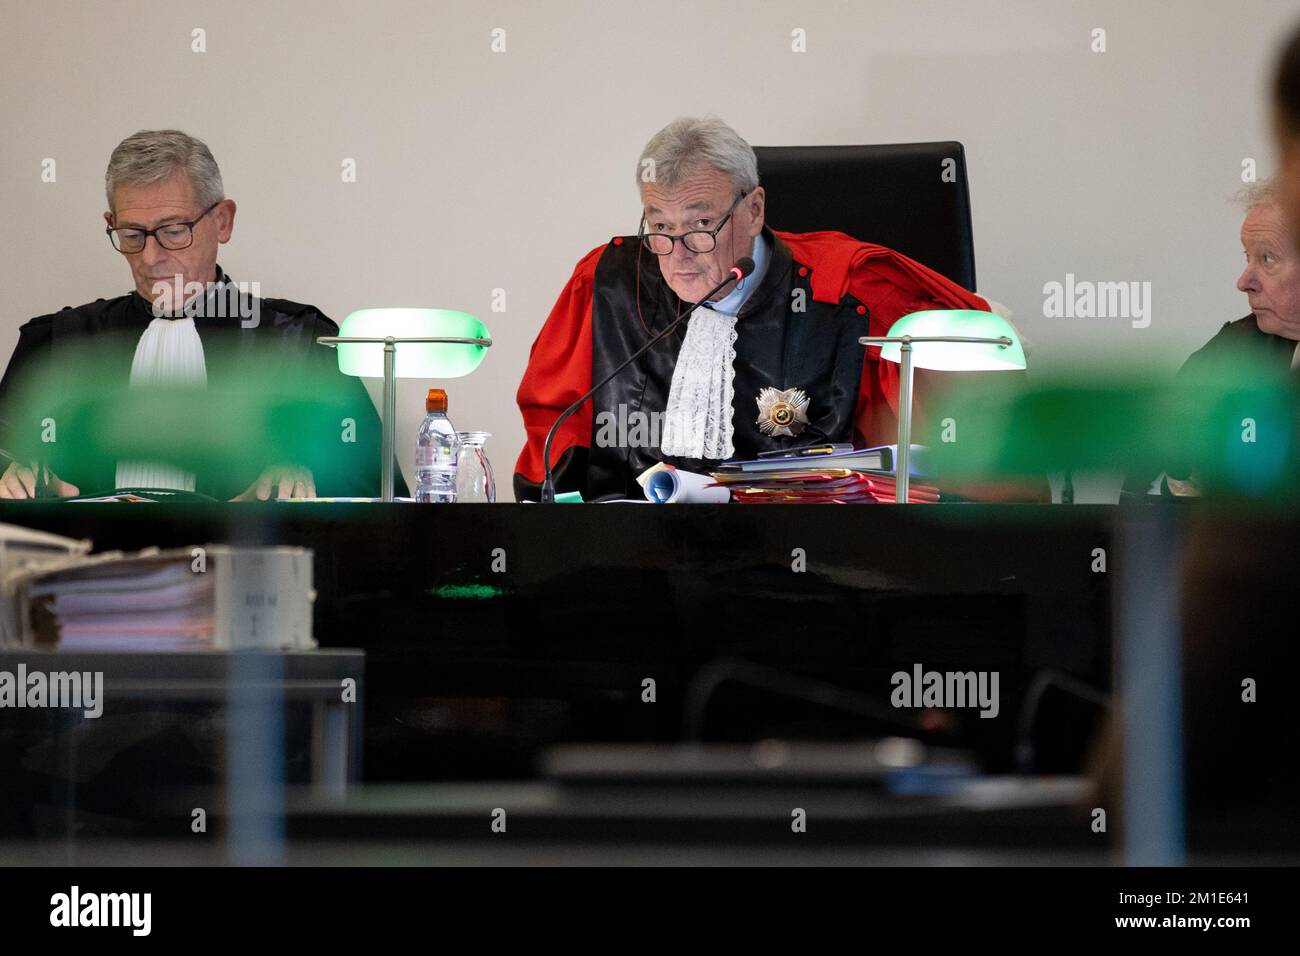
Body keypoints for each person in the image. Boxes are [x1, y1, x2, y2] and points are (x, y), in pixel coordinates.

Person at [514, 116, 1030, 501]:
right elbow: (554, 438)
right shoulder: (605, 284)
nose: (679, 255)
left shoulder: (846, 289)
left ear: (755, 209)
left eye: (699, 225)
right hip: (640, 576)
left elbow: (979, 415)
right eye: (661, 228)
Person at [0, 129, 402, 500]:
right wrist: (29, 485)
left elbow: (378, 496)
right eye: (132, 235)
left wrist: (301, 480)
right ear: (112, 224)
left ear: (222, 221)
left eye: (174, 231)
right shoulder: (55, 343)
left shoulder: (299, 343)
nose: (150, 257)